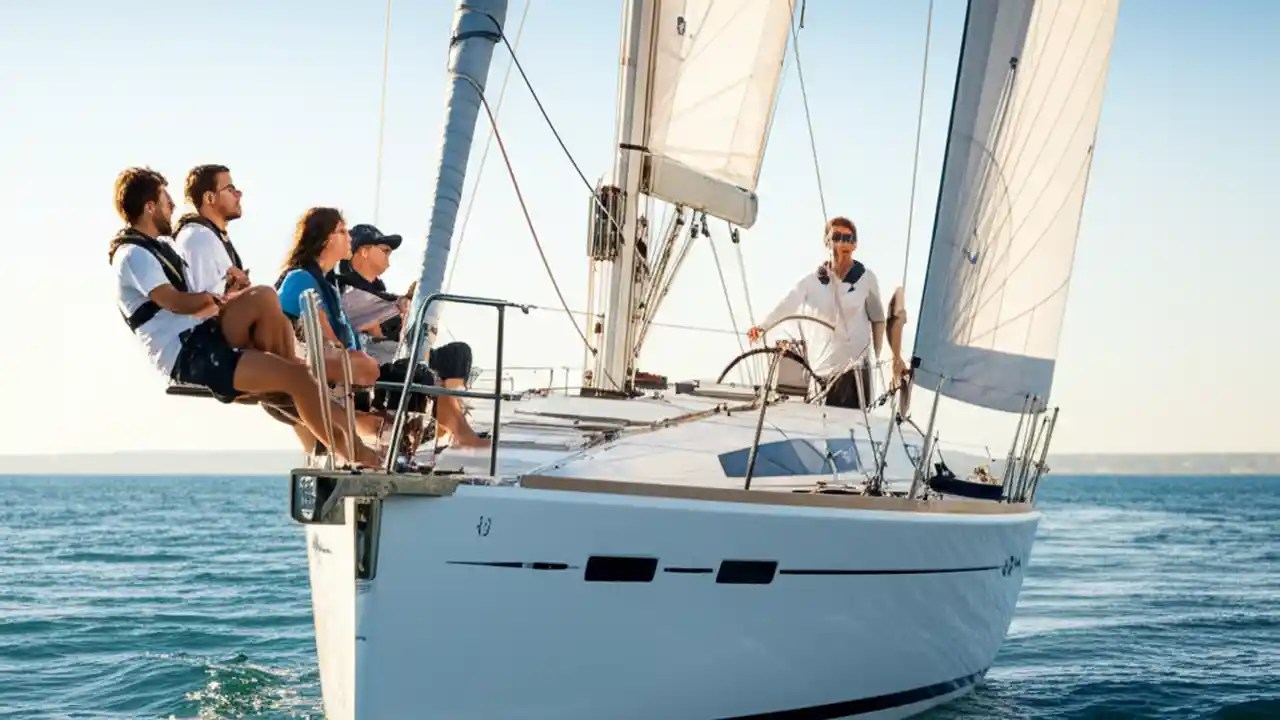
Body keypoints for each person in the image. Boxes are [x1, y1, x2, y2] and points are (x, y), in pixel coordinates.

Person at [109, 167, 377, 467]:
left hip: (202, 338)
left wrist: (230, 290)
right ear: (149, 206)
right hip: (186, 354)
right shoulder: (133, 255)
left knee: (264, 297)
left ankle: (309, 400)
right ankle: (358, 453)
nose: (171, 204)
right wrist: (221, 297)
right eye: (164, 198)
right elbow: (176, 302)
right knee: (299, 377)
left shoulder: (158, 249)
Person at [276, 210, 489, 449]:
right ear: (327, 240)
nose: (348, 237)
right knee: (415, 376)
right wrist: (352, 353)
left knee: (438, 364)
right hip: (336, 372)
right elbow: (321, 331)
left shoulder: (328, 283)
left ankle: (446, 434)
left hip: (356, 365)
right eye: (342, 231)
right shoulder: (308, 280)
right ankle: (419, 440)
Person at [747, 216, 904, 409]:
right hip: (819, 372)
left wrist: (877, 357)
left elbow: (878, 319)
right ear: (827, 242)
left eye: (849, 238)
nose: (843, 243)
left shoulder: (866, 279)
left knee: (852, 428)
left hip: (854, 373)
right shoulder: (811, 282)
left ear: (855, 245)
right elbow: (787, 304)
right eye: (837, 237)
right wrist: (762, 327)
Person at [174, 164, 250, 297]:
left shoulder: (210, 235)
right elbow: (205, 303)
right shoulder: (198, 237)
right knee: (265, 296)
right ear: (210, 198)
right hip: (215, 317)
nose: (239, 194)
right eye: (230, 189)